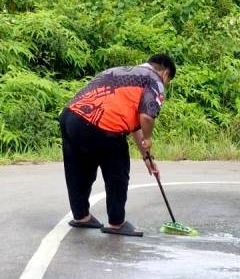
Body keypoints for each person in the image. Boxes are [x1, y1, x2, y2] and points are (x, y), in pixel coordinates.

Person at [58, 54, 176, 237]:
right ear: (166, 73)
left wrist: (147, 157)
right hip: (104, 124)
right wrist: (149, 137)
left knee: (79, 169)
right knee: (117, 172)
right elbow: (146, 116)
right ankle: (116, 223)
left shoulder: (120, 71)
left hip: (70, 117)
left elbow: (135, 126)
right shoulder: (155, 79)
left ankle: (81, 217)